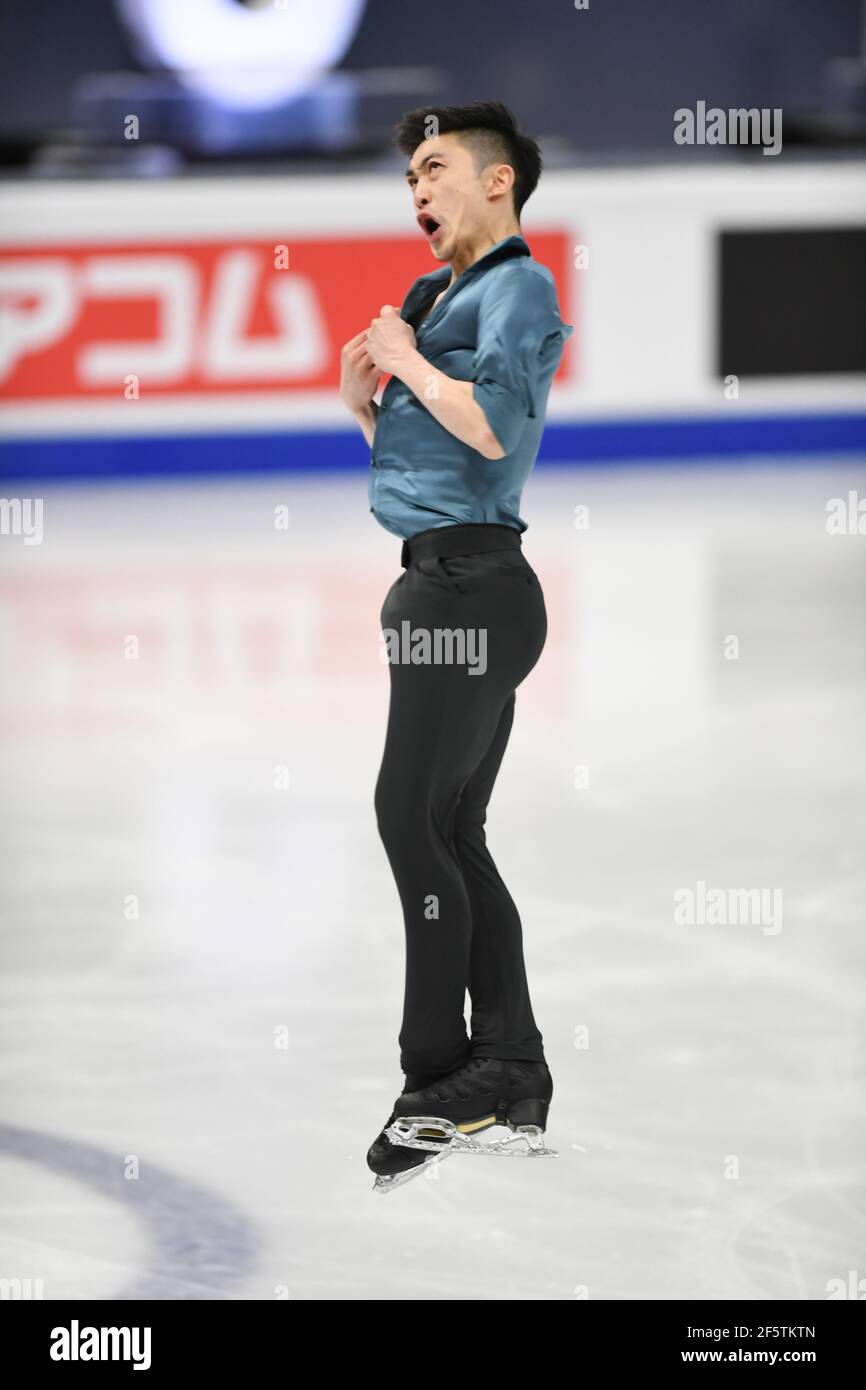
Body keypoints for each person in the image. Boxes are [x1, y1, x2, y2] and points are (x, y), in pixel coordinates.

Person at [338, 100, 573, 1186]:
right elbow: (434, 457)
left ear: (496, 182)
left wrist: (402, 356)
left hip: (470, 593)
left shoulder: (518, 284)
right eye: (407, 179)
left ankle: (438, 1070)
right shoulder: (440, 293)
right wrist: (363, 401)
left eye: (434, 169)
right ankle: (511, 1067)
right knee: (452, 830)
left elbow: (496, 428)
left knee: (406, 813)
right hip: (441, 579)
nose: (418, 192)